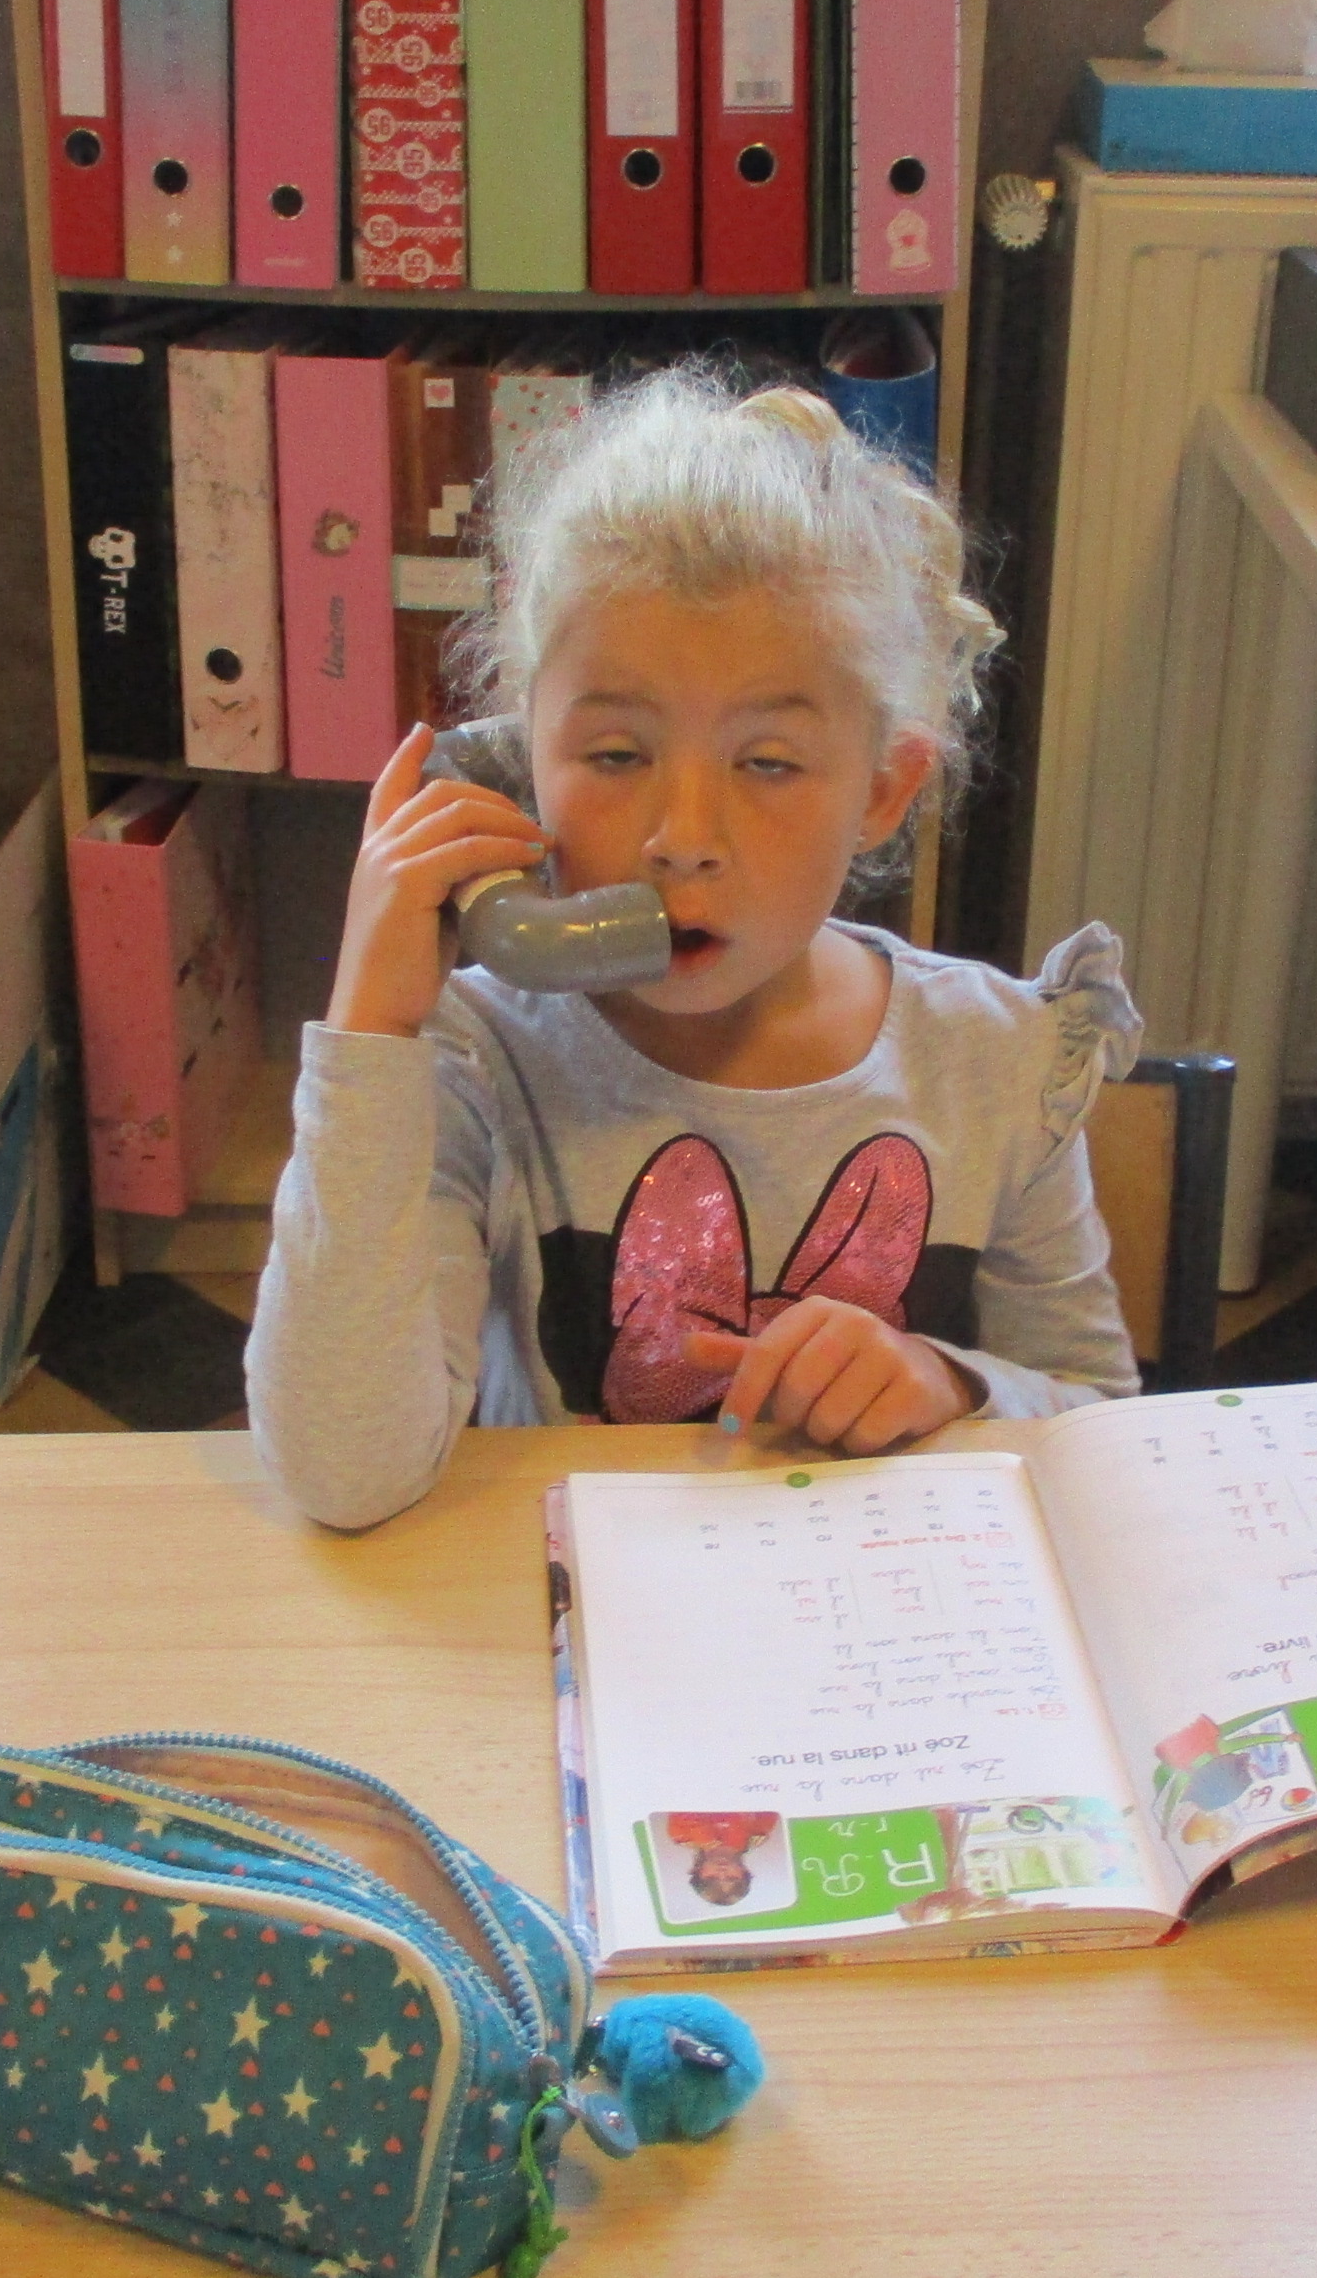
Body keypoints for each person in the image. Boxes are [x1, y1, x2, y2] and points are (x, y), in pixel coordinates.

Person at [249, 365, 1141, 1531]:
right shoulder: (472, 1063)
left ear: (881, 791)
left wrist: (956, 1383)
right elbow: (342, 1472)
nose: (683, 841)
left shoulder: (1002, 1063)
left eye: (767, 764)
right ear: (521, 768)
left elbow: (1102, 1422)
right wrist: (369, 1036)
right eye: (616, 757)